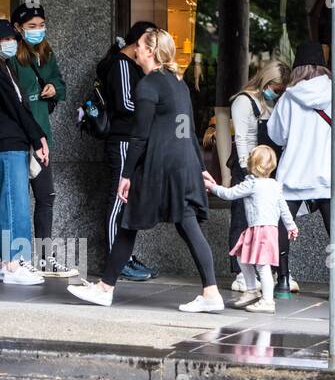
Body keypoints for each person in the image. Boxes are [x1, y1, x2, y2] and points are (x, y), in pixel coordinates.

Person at [67, 29, 224, 312]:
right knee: (187, 223)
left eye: (138, 45)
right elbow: (187, 129)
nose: (134, 49)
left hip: (158, 164)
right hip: (183, 161)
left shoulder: (148, 85)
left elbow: (138, 137)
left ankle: (105, 289)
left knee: (128, 223)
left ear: (150, 52)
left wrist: (126, 175)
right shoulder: (178, 83)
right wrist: (199, 167)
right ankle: (211, 292)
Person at [265, 41, 335, 298]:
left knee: (282, 226)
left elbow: (277, 135)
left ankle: (283, 281)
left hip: (292, 173)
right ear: (324, 67)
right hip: (327, 173)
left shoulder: (287, 98)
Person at [9, 4, 76, 277]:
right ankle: (15, 260)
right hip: (17, 136)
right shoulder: (11, 56)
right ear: (18, 28)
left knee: (45, 197)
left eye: (41, 25)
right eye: (32, 26)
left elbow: (60, 83)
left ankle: (46, 259)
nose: (38, 30)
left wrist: (53, 89)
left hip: (42, 136)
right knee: (15, 200)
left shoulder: (45, 53)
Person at [0, 20, 49, 285]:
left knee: (6, 204)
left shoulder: (0, 68)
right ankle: (16, 262)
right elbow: (18, 109)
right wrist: (38, 137)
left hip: (6, 143)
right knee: (17, 205)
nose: (14, 44)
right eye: (9, 40)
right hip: (9, 144)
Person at [95, 20, 159, 281]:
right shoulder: (121, 64)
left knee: (125, 199)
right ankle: (116, 259)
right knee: (118, 199)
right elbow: (125, 103)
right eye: (148, 42)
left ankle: (124, 257)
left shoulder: (131, 65)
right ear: (137, 43)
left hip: (130, 139)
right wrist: (152, 113)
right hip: (122, 139)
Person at [205, 145, 298, 314]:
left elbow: (228, 194)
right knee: (242, 256)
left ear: (251, 164)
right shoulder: (275, 186)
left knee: (262, 266)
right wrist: (291, 225)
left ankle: (267, 301)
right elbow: (283, 207)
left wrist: (212, 187)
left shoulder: (251, 185)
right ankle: (252, 290)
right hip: (263, 230)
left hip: (261, 230)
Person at [225, 59, 288, 288]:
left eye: (281, 90)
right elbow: (241, 137)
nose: (277, 93)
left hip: (266, 167)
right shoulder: (244, 101)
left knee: (263, 221)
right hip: (248, 167)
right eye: (276, 88)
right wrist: (246, 170)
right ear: (266, 81)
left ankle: (262, 268)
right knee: (242, 219)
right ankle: (240, 272)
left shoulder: (271, 103)